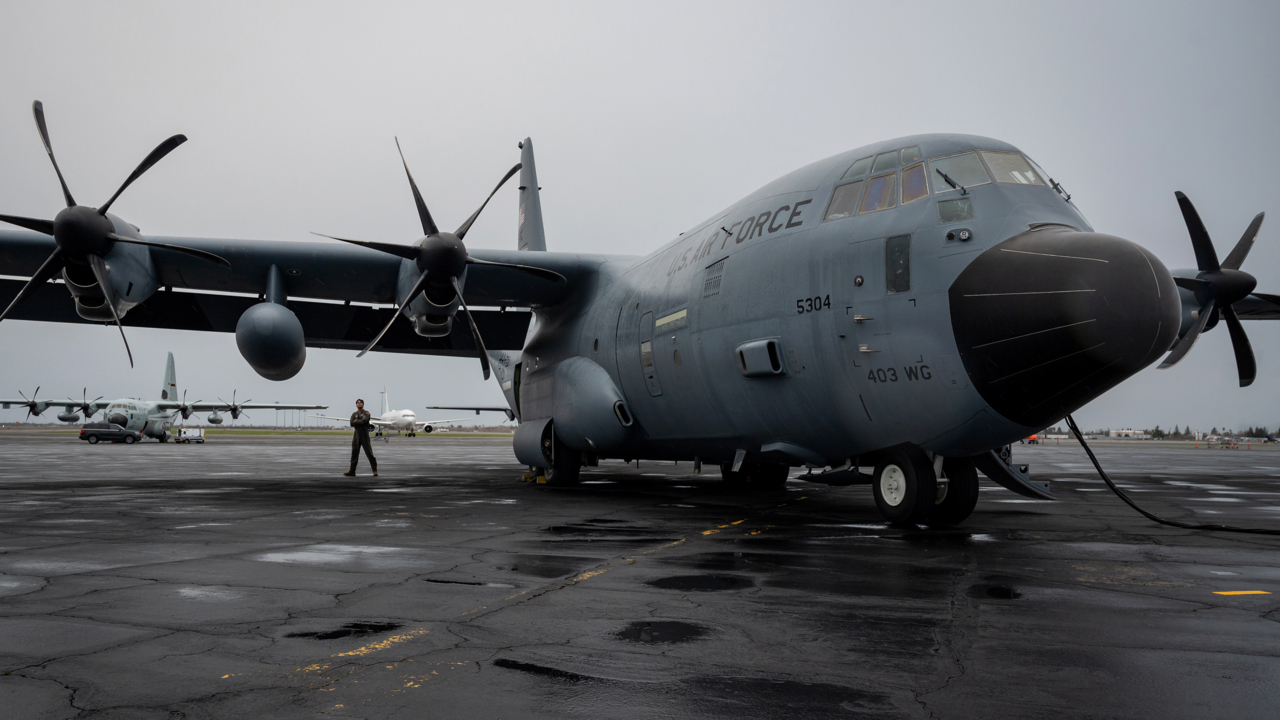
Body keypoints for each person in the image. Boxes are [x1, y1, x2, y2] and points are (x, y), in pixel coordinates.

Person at [344, 398, 378, 477]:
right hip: (356, 435)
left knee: (369, 453)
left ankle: (374, 470)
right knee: (354, 453)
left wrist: (356, 421)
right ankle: (352, 471)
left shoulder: (366, 413)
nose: (359, 404)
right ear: (356, 405)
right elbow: (351, 423)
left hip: (364, 435)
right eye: (357, 403)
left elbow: (364, 421)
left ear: (363, 404)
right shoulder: (354, 414)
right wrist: (357, 422)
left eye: (360, 402)